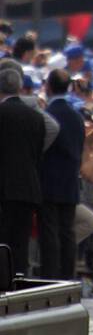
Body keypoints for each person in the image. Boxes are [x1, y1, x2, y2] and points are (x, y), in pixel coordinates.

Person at [39, 68, 85, 280]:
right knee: (67, 232)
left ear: (48, 86)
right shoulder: (77, 117)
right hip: (69, 183)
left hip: (47, 181)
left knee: (49, 233)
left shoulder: (47, 115)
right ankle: (67, 276)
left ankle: (50, 276)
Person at [0, 65, 45, 274]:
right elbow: (37, 153)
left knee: (3, 240)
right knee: (21, 242)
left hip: (4, 188)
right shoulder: (36, 117)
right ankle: (18, 280)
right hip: (28, 188)